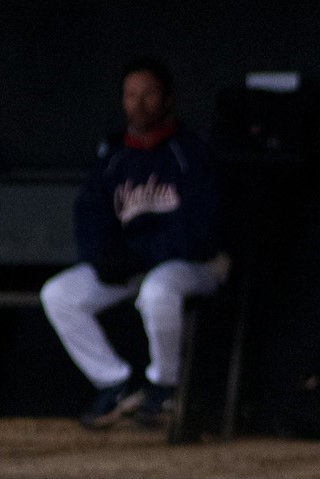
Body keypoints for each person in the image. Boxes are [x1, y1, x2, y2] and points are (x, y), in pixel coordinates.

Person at [41, 57, 222, 429]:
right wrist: (103, 256)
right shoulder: (115, 157)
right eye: (130, 95)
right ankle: (114, 382)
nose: (138, 105)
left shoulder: (192, 153)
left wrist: (141, 257)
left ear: (168, 99)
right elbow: (90, 215)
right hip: (135, 265)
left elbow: (200, 229)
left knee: (157, 291)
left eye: (149, 95)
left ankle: (164, 385)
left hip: (192, 265)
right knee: (59, 294)